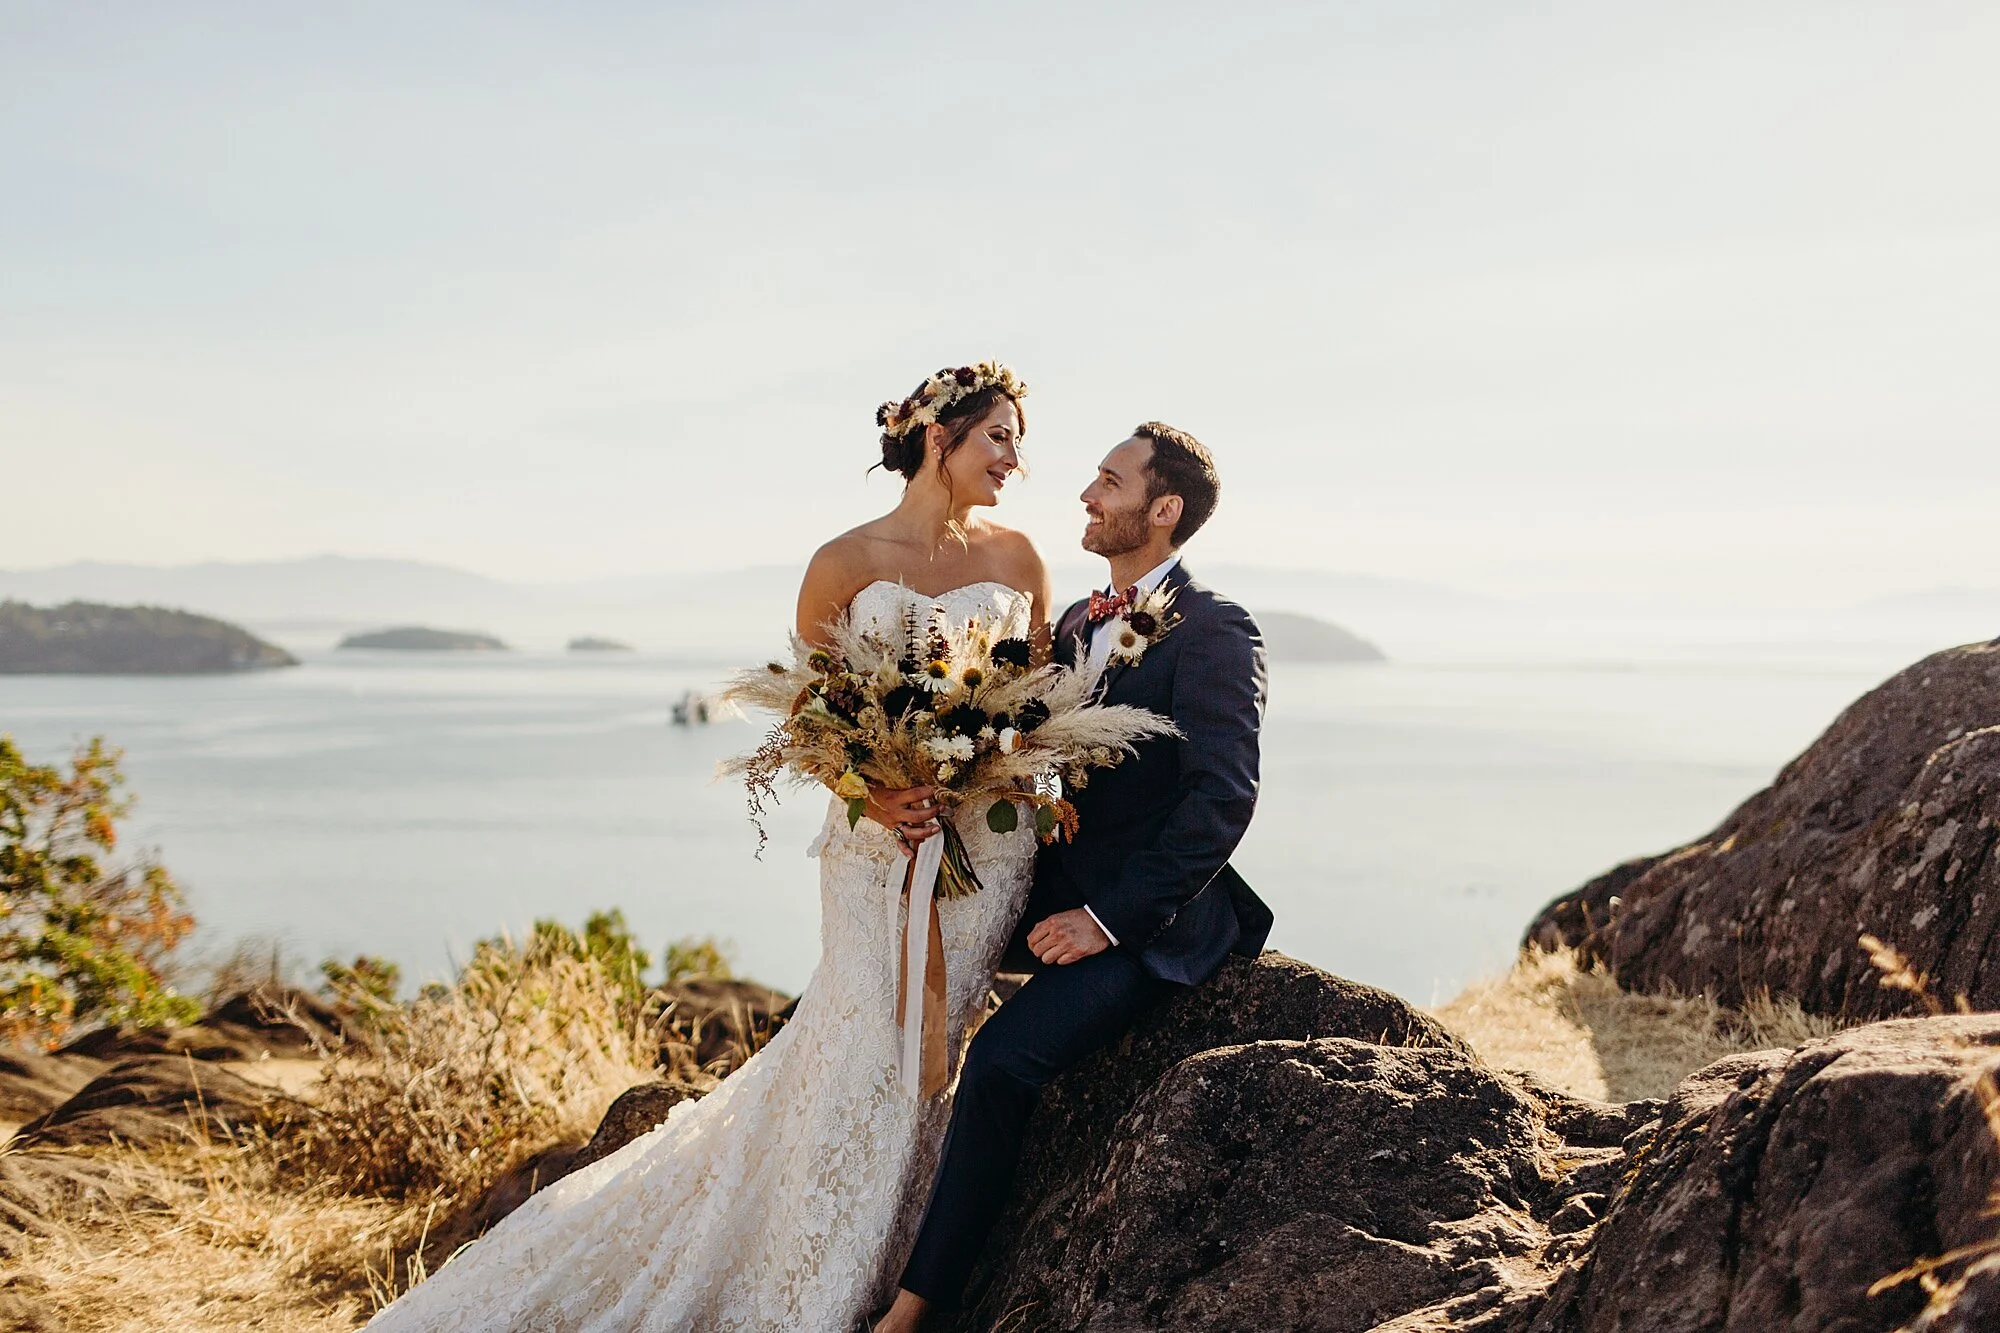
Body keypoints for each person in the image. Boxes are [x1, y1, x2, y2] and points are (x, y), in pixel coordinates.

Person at [363, 363, 1052, 1332]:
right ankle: (804, 1277)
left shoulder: (1021, 560)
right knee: (858, 1047)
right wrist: (877, 787)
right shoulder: (842, 562)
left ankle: (908, 1269)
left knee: (933, 1061)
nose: (1015, 461)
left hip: (983, 852)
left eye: (1018, 442)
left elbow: (1035, 710)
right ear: (937, 438)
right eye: (999, 439)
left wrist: (983, 771)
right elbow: (812, 724)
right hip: (872, 848)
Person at [876, 421, 1271, 1331]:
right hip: (1055, 887)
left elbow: (1222, 799)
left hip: (1152, 923)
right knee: (901, 953)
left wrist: (1105, 918)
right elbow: (1056, 765)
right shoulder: (1072, 624)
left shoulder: (1215, 630)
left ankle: (916, 1307)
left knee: (1002, 1059)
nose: (1087, 495)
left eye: (1109, 480)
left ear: (1162, 510)